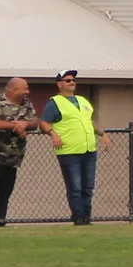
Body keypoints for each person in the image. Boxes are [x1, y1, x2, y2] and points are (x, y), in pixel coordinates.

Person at [0, 76, 50, 226]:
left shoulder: (26, 103)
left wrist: (25, 124)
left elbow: (34, 122)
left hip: (12, 159)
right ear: (13, 89)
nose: (27, 92)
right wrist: (16, 127)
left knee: (3, 195)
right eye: (25, 89)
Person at [43, 69, 100, 225]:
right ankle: (78, 217)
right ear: (59, 84)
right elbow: (44, 122)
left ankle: (87, 217)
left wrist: (102, 134)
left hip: (89, 149)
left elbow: (89, 121)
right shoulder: (54, 102)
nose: (72, 83)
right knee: (75, 186)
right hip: (69, 151)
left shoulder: (82, 101)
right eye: (68, 80)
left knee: (88, 187)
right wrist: (53, 134)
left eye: (73, 80)